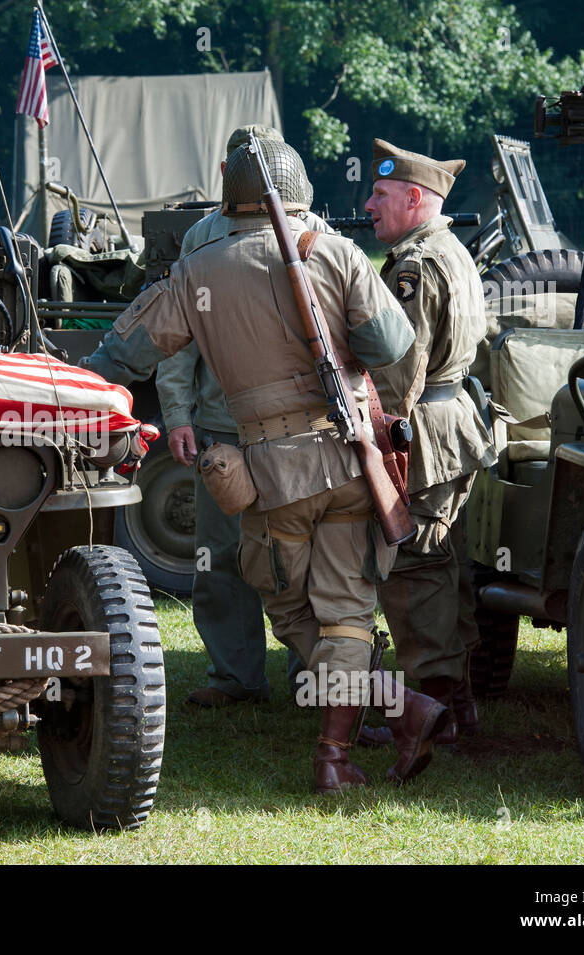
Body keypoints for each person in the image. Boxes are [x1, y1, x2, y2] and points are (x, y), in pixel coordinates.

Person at [81, 138, 449, 792]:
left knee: (285, 606)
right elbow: (393, 344)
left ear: (230, 195)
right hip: (350, 464)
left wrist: (69, 381)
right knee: (344, 615)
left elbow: (127, 351)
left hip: (270, 475)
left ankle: (363, 735)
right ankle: (372, 729)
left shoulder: (199, 266)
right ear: (300, 188)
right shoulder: (334, 251)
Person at [156, 124, 334, 709]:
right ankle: (236, 675)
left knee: (296, 556)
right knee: (224, 556)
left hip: (290, 426)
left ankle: (308, 673)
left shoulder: (311, 231)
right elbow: (178, 339)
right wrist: (178, 413)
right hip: (225, 425)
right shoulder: (203, 238)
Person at [364, 138, 495, 744]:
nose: (369, 204)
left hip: (425, 433)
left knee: (416, 571)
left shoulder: (415, 265)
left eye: (382, 194)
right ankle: (456, 702)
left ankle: (432, 706)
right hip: (456, 427)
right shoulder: (452, 250)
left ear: (415, 199)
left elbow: (400, 368)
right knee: (446, 566)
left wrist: (378, 439)